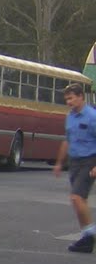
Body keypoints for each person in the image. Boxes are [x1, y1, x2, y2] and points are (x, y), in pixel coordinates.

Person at [53, 82, 96, 252]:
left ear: (80, 97)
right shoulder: (70, 116)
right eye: (66, 99)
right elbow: (67, 140)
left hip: (89, 160)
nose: (68, 102)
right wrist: (59, 162)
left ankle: (89, 235)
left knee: (76, 197)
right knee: (80, 200)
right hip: (75, 161)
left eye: (71, 98)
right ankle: (86, 237)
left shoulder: (92, 116)